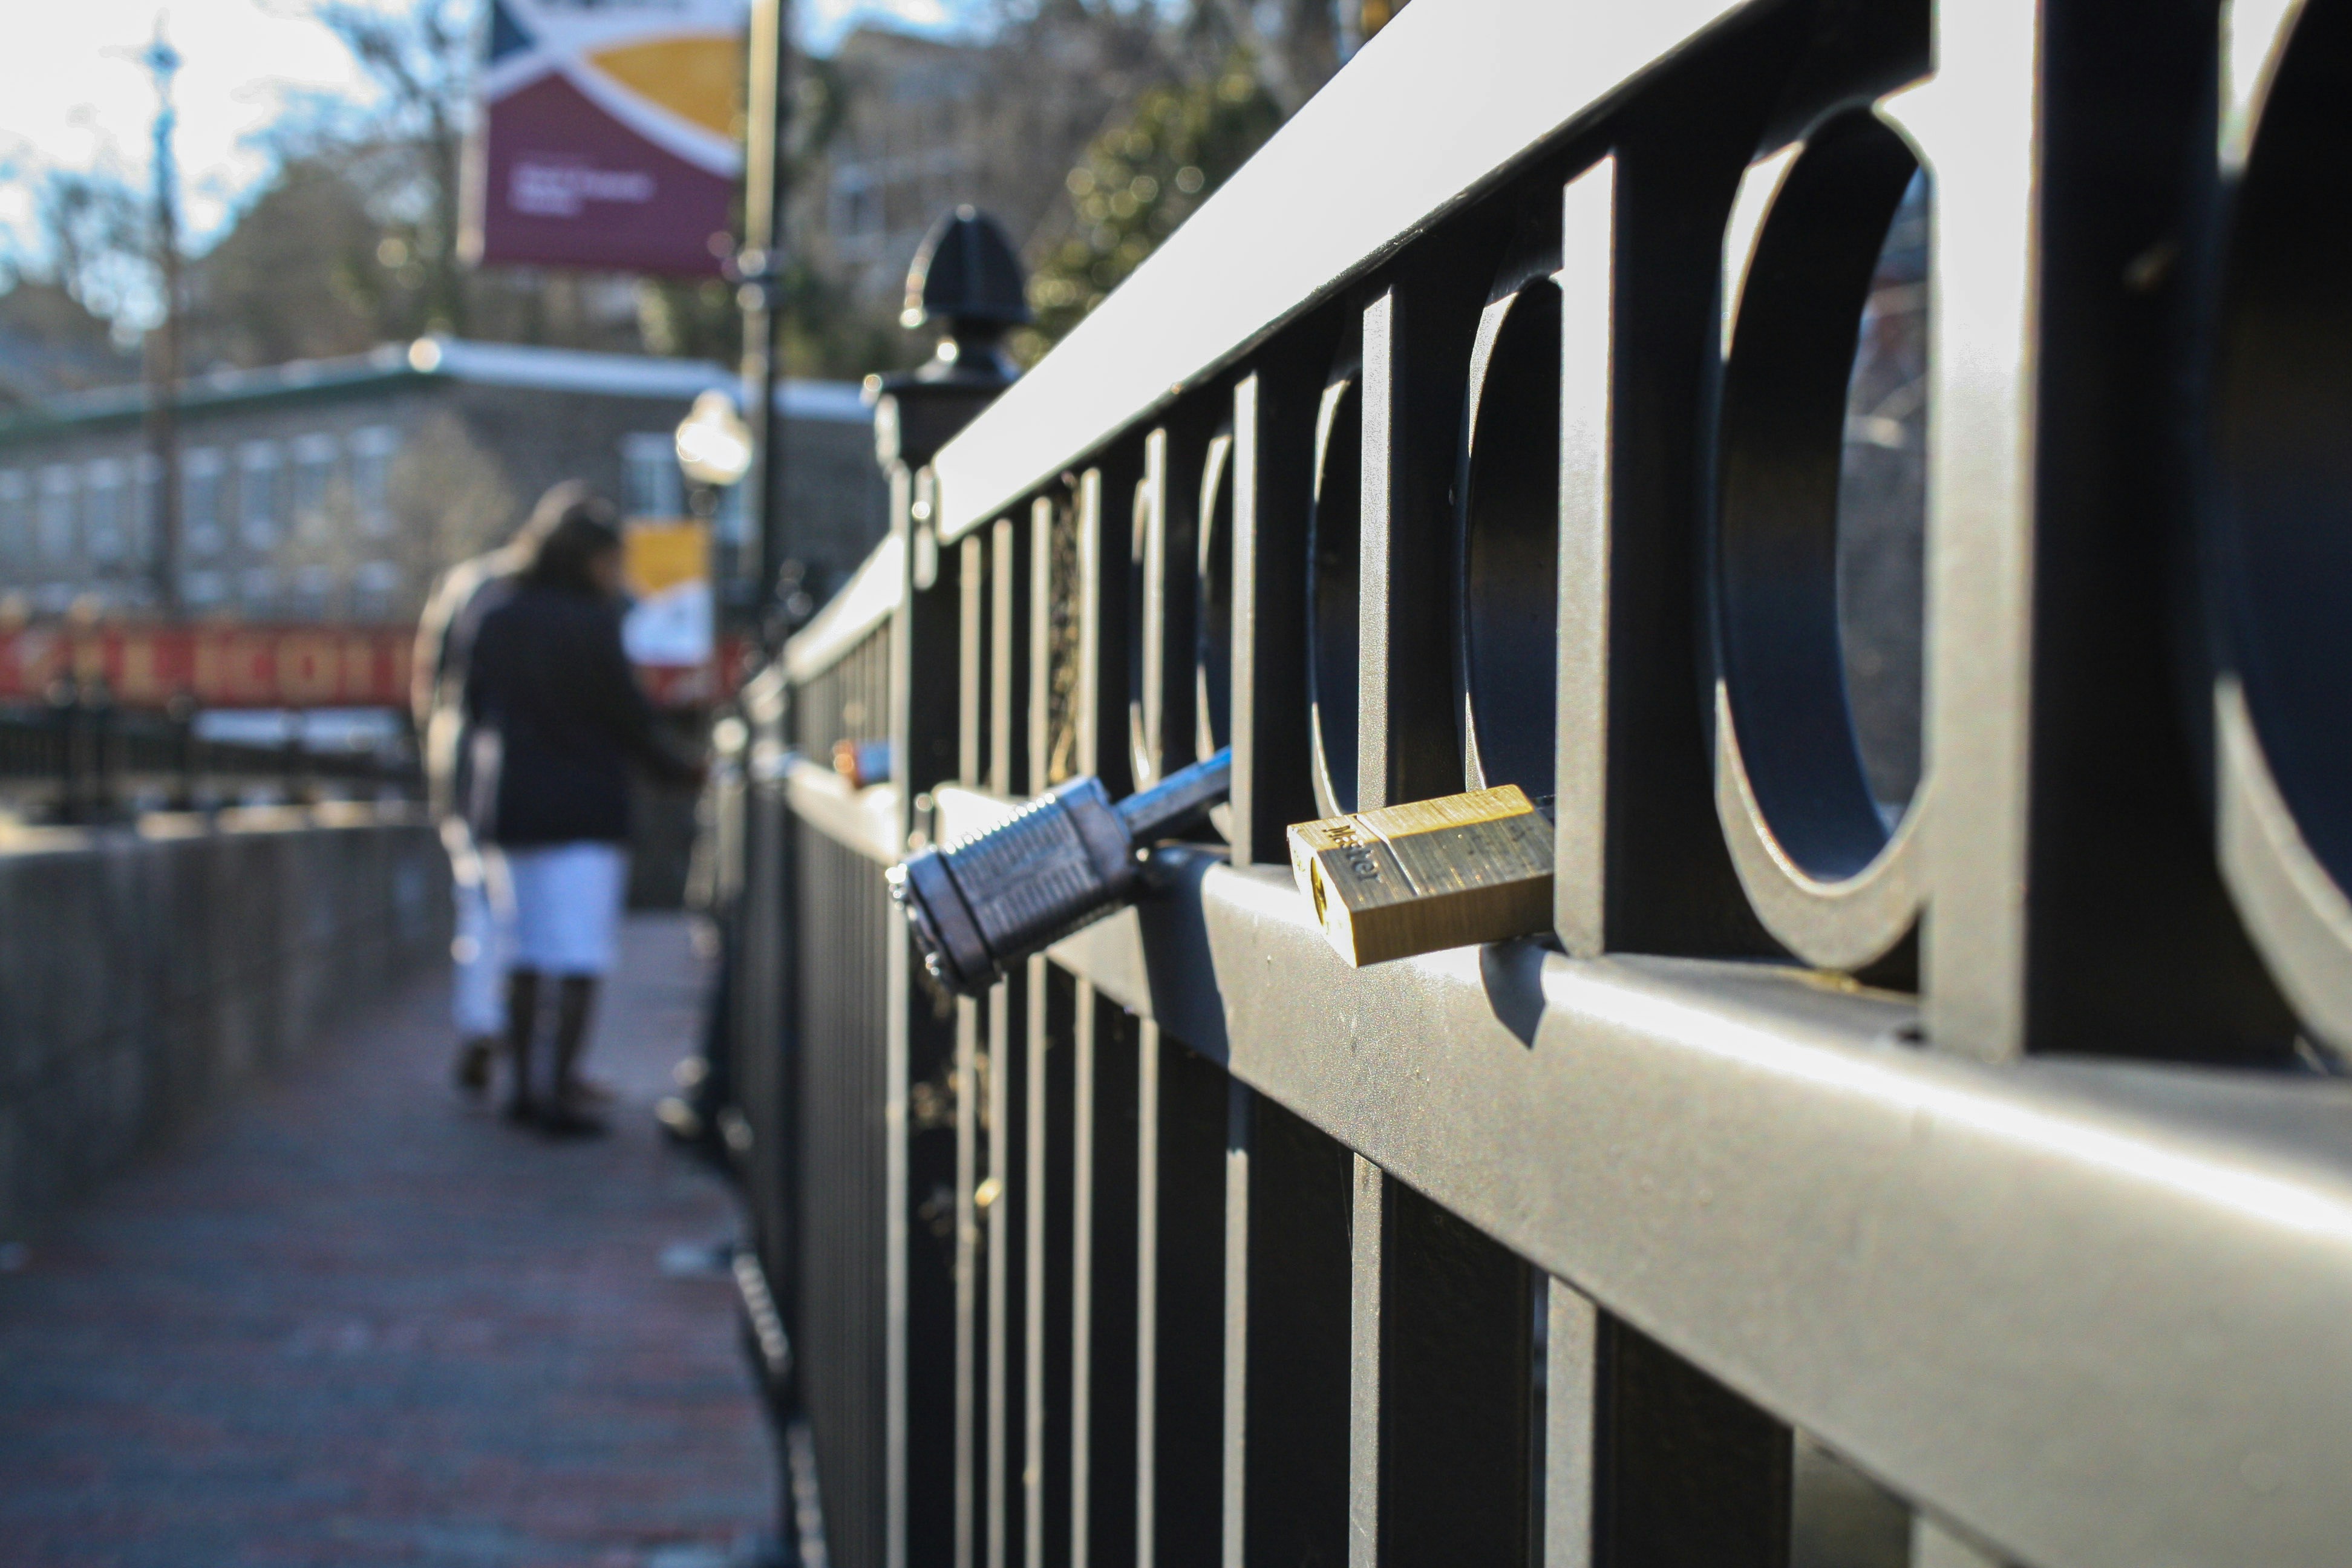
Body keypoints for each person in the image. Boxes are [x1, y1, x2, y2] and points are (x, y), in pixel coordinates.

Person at [459, 484, 702, 1134]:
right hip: (582, 807)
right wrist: (680, 773)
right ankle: (557, 1089)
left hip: (513, 805)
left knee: (524, 950)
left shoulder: (498, 615)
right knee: (577, 956)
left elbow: (475, 706)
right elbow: (628, 719)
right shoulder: (593, 623)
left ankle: (521, 1091)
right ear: (590, 560)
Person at [411, 526, 530, 1096]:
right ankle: (498, 1022)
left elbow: (429, 684)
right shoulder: (517, 591)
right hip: (506, 764)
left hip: (457, 761)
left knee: (479, 902)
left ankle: (482, 1020)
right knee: (516, 907)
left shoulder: (463, 585)